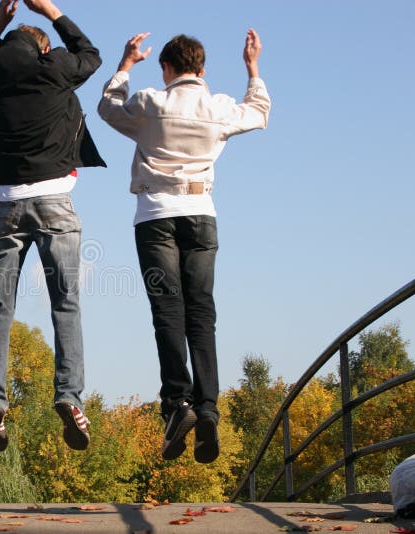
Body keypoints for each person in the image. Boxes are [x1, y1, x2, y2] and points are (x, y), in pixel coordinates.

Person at [98, 29, 270, 463]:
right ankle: (208, 408)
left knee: (167, 312)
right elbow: (259, 112)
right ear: (202, 70)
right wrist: (252, 68)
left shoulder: (152, 103)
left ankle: (178, 405)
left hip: (155, 217)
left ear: (167, 68)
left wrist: (125, 65)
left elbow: (107, 108)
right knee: (202, 314)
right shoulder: (219, 108)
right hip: (201, 214)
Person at [0, 0, 106, 453]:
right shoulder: (55, 68)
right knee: (65, 304)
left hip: (5, 203)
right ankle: (68, 396)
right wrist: (51, 10)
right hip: (54, 203)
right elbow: (91, 54)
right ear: (43, 48)